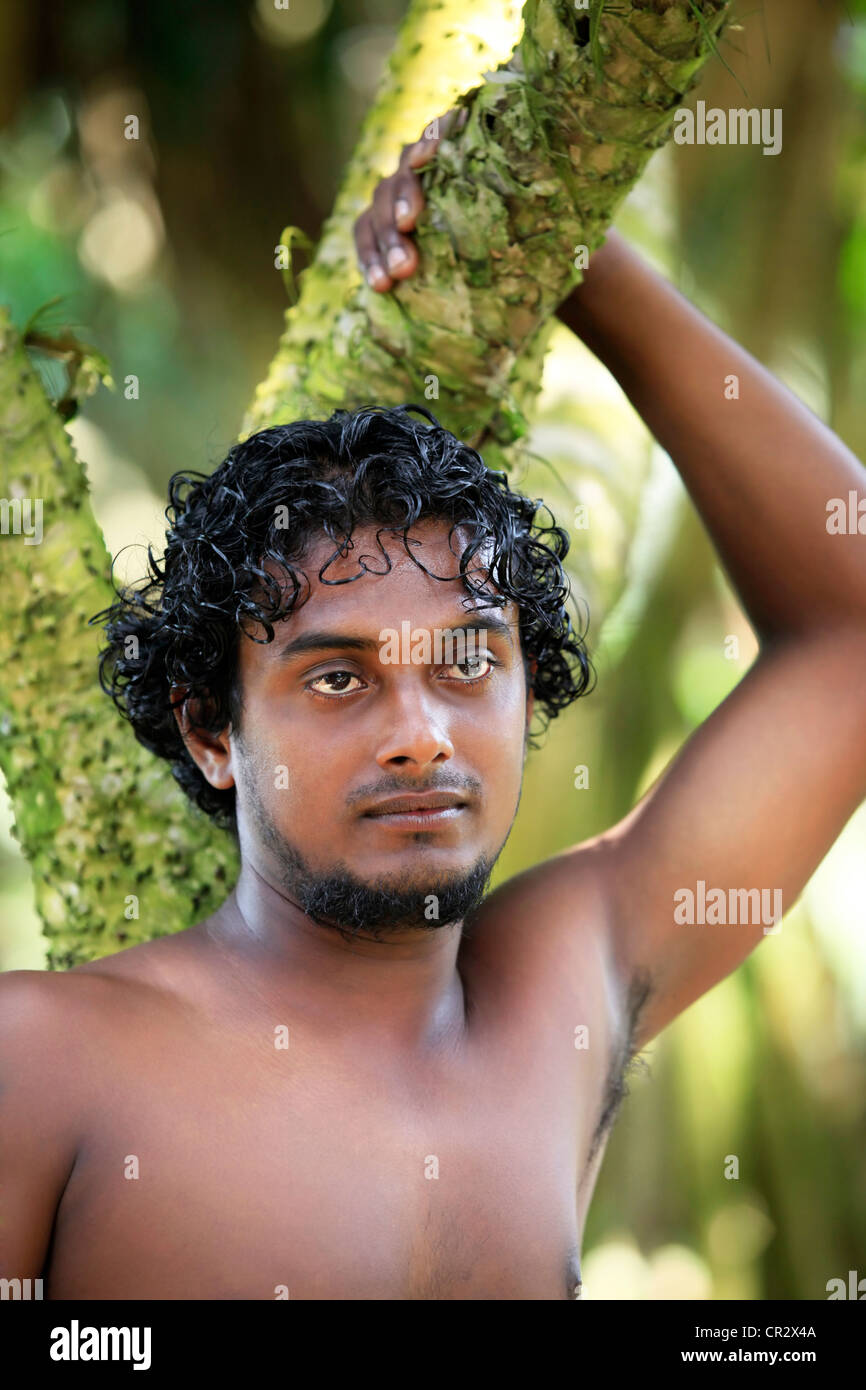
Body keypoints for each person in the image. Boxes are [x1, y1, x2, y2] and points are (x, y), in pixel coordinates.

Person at [2, 114, 865, 1304]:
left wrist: (577, 258)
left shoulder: (557, 995)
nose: (421, 731)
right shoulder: (40, 1061)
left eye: (465, 662)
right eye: (338, 677)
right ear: (212, 732)